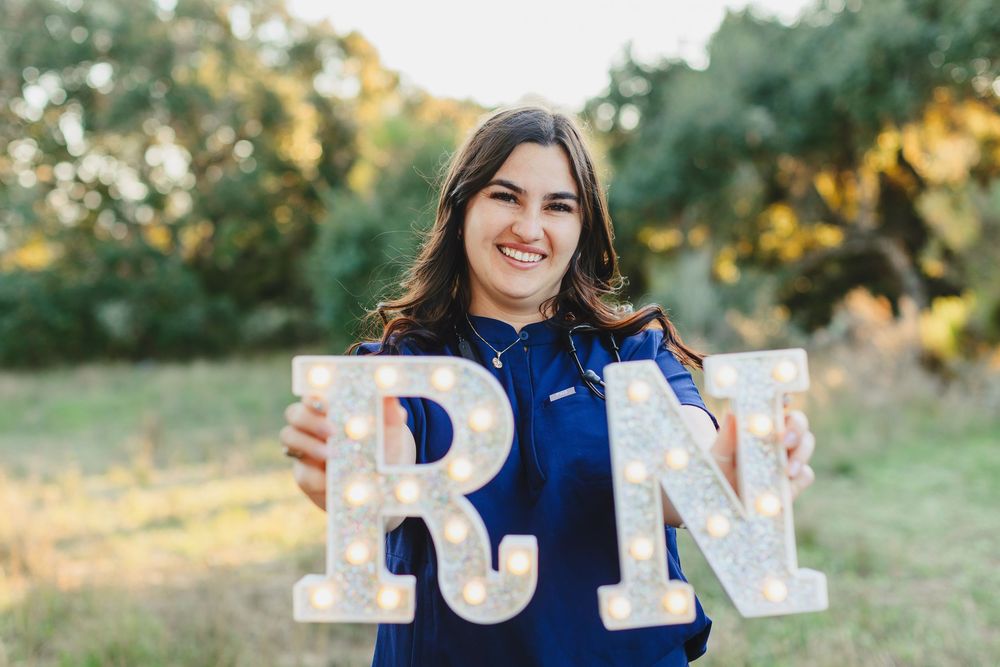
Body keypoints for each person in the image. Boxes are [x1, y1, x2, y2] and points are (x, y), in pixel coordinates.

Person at [280, 106, 817, 666]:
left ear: (582, 229)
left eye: (558, 206)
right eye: (505, 196)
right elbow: (385, 476)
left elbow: (683, 465)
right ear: (462, 208)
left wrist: (726, 474)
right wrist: (356, 477)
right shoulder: (402, 366)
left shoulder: (635, 351)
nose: (529, 227)